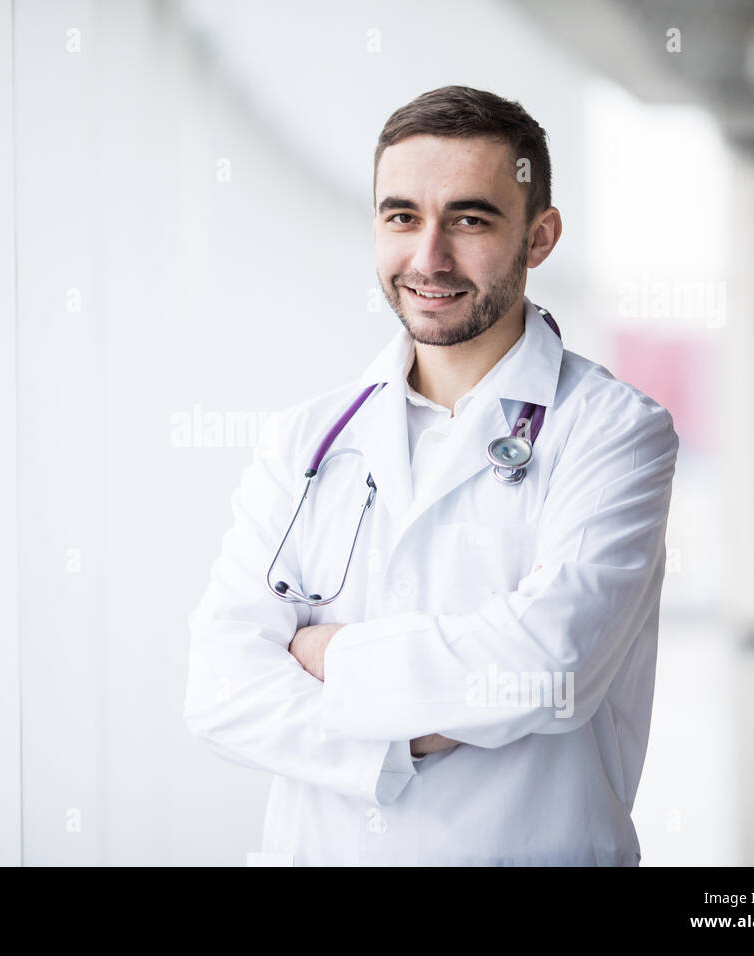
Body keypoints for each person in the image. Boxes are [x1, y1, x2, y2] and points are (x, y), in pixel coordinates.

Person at [183, 85, 679, 865]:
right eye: (401, 216)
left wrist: (327, 656)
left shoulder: (615, 432)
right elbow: (219, 688)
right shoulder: (304, 441)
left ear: (539, 236)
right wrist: (393, 747)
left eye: (470, 219)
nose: (428, 257)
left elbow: (549, 669)